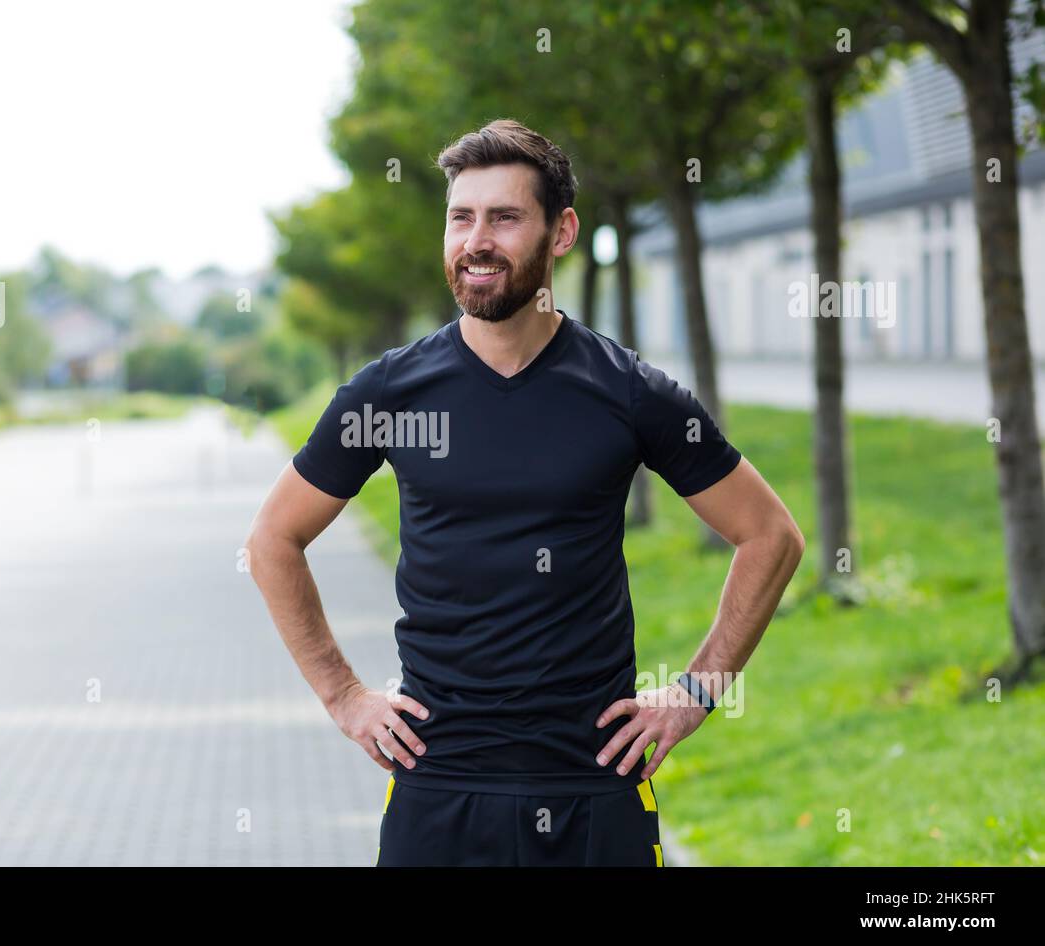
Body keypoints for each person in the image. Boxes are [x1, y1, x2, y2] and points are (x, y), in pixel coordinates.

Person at [244, 118, 805, 866]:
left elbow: (771, 537)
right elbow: (273, 542)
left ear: (562, 232)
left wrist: (695, 694)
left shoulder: (628, 392)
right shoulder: (391, 394)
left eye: (504, 218)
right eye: (461, 217)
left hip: (596, 786)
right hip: (436, 784)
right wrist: (345, 697)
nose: (477, 240)